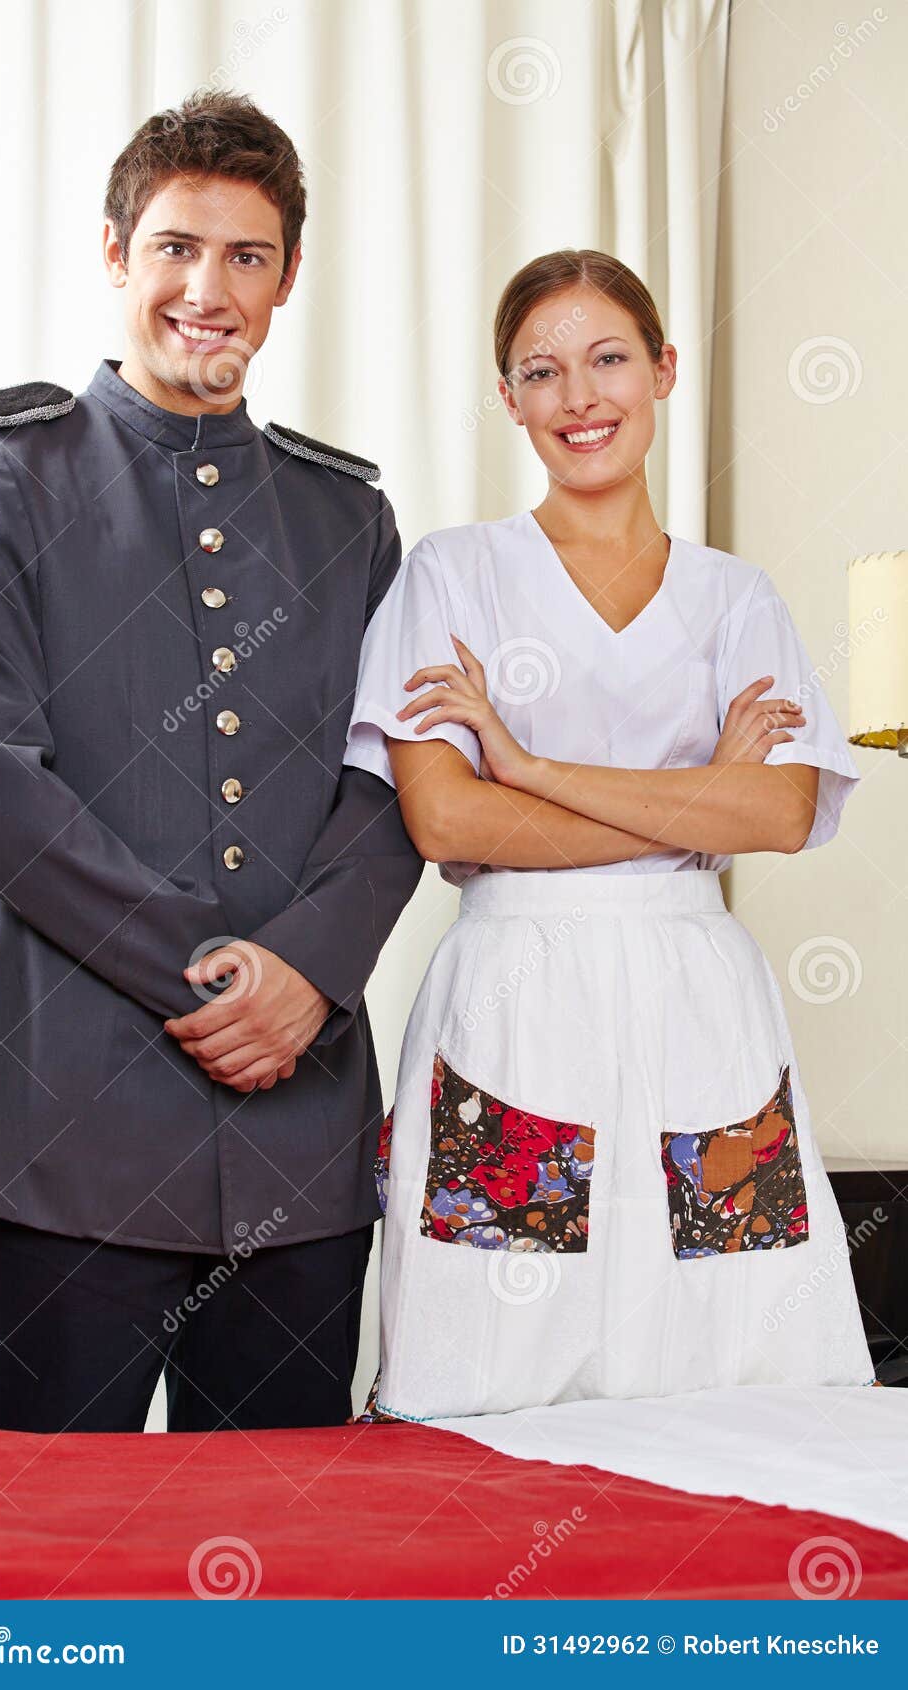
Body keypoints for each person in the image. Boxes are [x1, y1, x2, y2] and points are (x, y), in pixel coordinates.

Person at [0, 90, 423, 1434]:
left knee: (283, 1593)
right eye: (178, 247)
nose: (208, 288)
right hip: (56, 1129)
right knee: (38, 1572)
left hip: (296, 1148)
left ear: (288, 278)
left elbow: (391, 778)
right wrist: (217, 975)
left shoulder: (345, 515)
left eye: (247, 256)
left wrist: (303, 975)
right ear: (117, 252)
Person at [342, 248, 875, 1421]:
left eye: (606, 359)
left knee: (735, 1347)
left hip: (699, 1004)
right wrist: (691, 800)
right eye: (541, 371)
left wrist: (525, 764)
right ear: (508, 399)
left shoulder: (735, 599)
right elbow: (445, 816)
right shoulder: (452, 574)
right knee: (488, 1354)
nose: (578, 397)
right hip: (513, 997)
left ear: (661, 369)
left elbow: (779, 811)